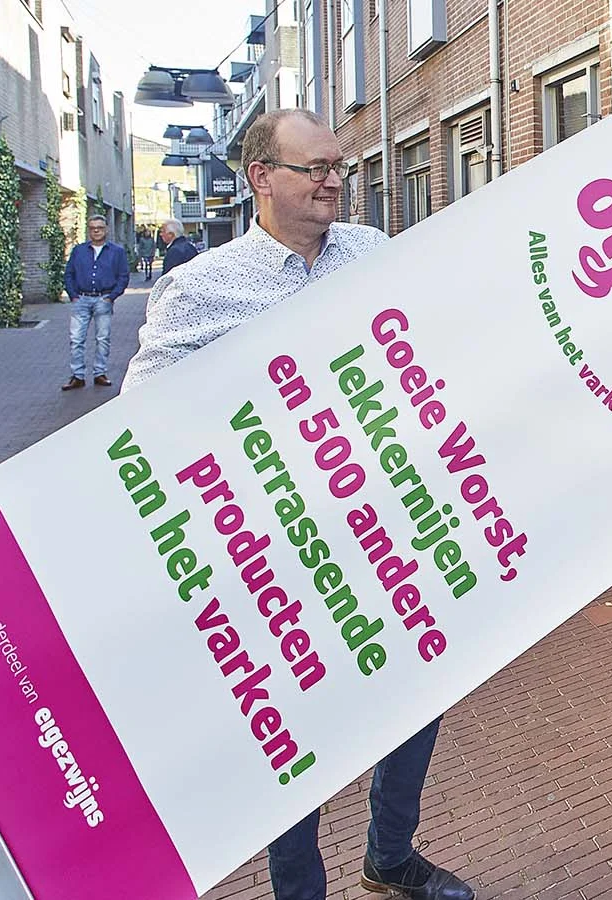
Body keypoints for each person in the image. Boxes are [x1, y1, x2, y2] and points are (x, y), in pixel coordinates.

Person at [125, 109, 474, 900]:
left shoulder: (375, 253)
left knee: (422, 691)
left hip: (391, 531)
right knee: (298, 733)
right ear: (262, 177)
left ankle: (390, 856)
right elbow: (139, 425)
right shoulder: (201, 289)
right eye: (315, 168)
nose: (333, 182)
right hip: (280, 552)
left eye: (337, 167)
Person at [60, 215, 128, 390]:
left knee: (103, 338)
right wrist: (73, 294)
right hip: (81, 299)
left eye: (99, 227)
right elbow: (69, 274)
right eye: (92, 228)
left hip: (103, 299)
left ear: (106, 229)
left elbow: (123, 276)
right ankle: (77, 376)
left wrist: (112, 296)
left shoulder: (117, 252)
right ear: (88, 230)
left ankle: (100, 373)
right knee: (76, 339)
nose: (96, 230)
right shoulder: (79, 251)